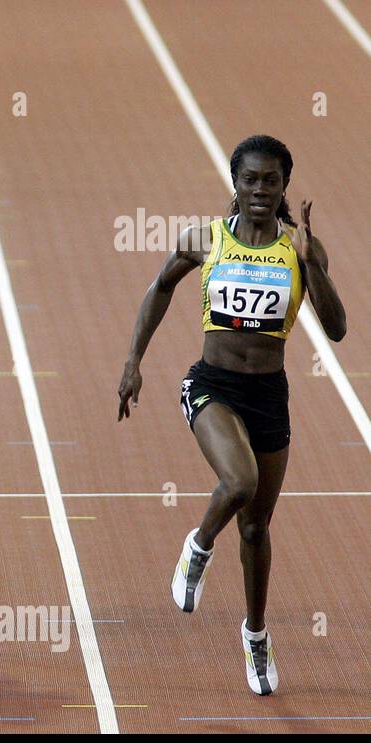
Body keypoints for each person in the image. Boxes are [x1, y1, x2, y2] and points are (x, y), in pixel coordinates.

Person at [118, 135, 345, 695]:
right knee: (239, 481)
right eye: (251, 180)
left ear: (284, 187)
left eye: (271, 181)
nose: (260, 190)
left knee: (256, 527)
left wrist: (314, 262)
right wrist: (134, 360)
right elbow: (159, 288)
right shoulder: (204, 240)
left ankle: (256, 635)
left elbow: (337, 328)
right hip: (212, 385)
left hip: (269, 393)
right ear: (235, 183)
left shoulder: (299, 248)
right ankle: (197, 547)